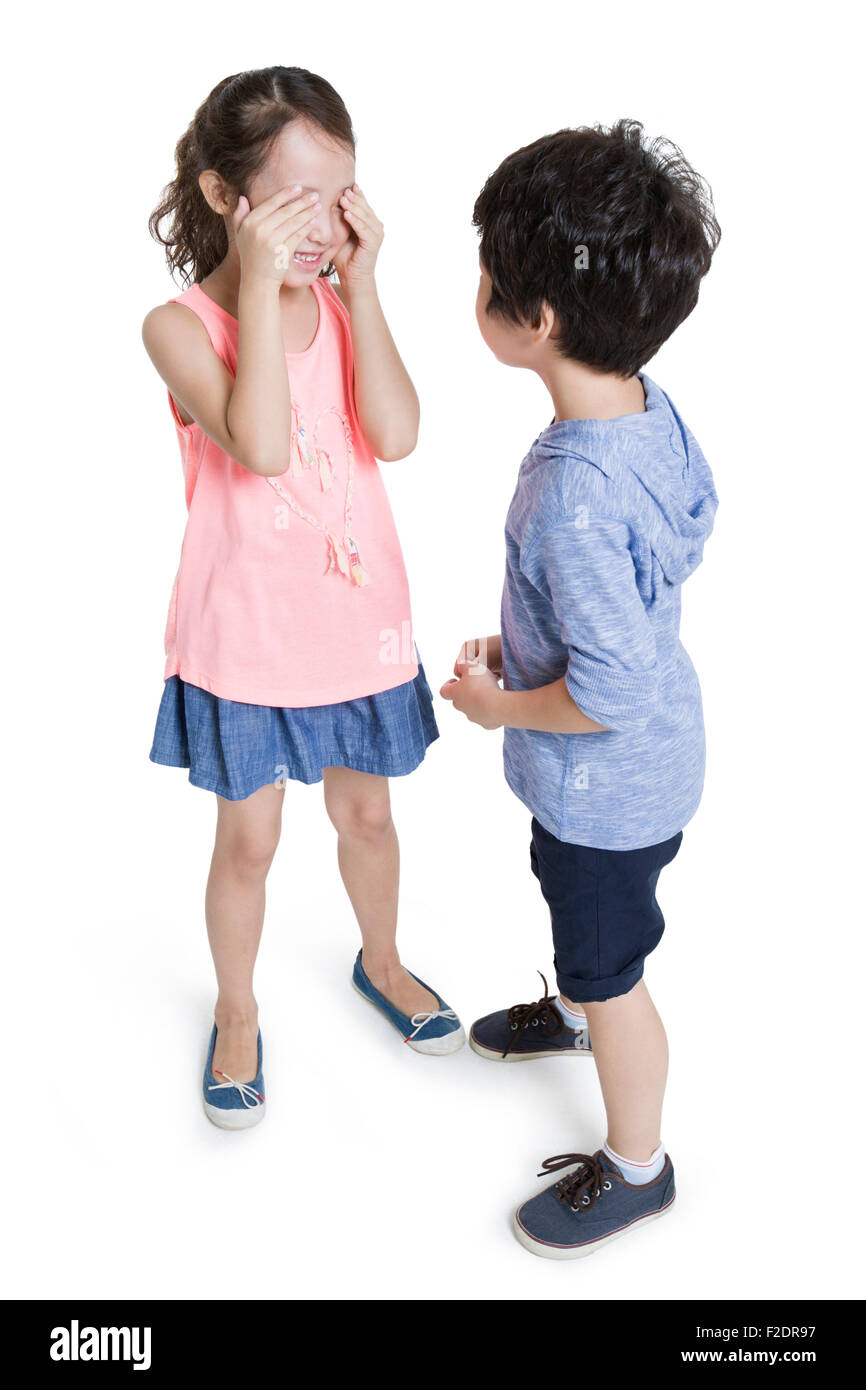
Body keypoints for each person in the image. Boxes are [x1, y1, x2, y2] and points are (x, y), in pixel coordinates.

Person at [143, 66, 464, 1131]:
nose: (324, 224)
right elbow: (264, 443)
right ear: (225, 196)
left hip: (354, 620)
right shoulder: (179, 327)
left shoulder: (340, 298)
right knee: (248, 841)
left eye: (341, 195)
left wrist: (359, 290)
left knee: (367, 815)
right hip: (247, 633)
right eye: (294, 197)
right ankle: (236, 1010)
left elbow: (398, 434)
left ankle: (381, 958)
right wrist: (263, 280)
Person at [441, 119, 720, 1256]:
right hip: (637, 761)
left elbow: (604, 691)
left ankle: (637, 1162)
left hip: (608, 785)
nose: (477, 285)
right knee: (573, 910)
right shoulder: (643, 407)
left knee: (614, 970)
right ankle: (563, 1009)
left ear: (537, 321)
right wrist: (536, 647)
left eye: (488, 273)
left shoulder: (571, 496)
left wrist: (501, 704)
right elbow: (647, 573)